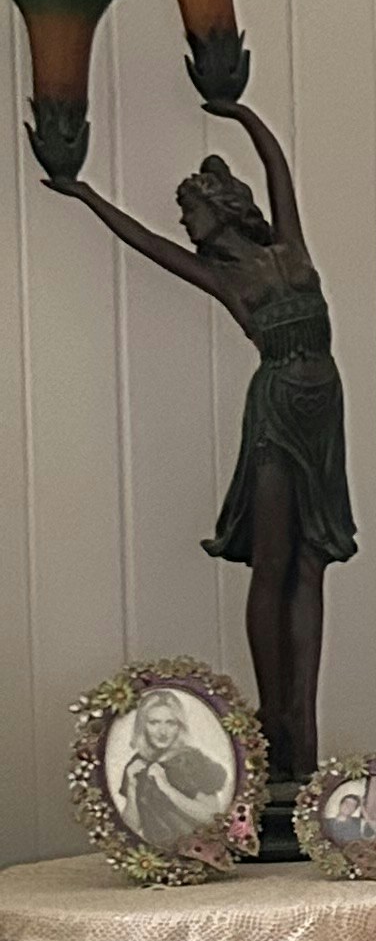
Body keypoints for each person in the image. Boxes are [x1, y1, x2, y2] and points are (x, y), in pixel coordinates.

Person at [47, 107, 355, 793]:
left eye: (191, 209)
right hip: (276, 410)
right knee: (272, 562)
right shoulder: (221, 278)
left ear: (222, 209)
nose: (185, 222)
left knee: (313, 560)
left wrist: (239, 111)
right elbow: (144, 241)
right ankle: (274, 718)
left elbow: (277, 168)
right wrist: (86, 192)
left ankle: (302, 726)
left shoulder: (287, 249)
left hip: (323, 409)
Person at [110, 688, 230, 850]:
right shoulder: (138, 763)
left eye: (170, 723)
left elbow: (212, 817)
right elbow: (132, 827)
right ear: (142, 726)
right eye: (154, 722)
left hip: (196, 851)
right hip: (157, 856)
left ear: (179, 726)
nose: (162, 732)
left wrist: (166, 787)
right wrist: (132, 789)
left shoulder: (192, 760)